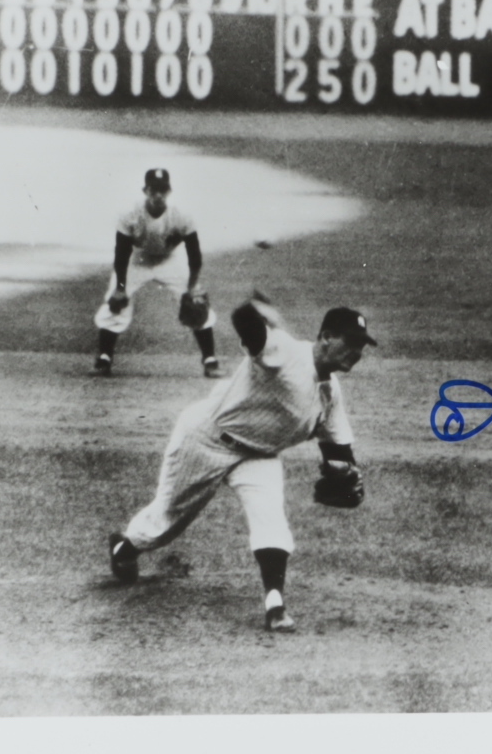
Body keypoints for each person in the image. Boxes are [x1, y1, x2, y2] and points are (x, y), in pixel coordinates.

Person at [108, 294, 377, 633]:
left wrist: (346, 470)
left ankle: (275, 605)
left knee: (272, 521)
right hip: (206, 439)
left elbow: (338, 449)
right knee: (166, 520)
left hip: (258, 456)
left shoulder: (330, 394)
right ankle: (123, 546)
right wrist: (255, 309)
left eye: (362, 346)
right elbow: (248, 329)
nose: (357, 352)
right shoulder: (285, 350)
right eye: (350, 342)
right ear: (325, 337)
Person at [93, 167, 220, 377]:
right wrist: (120, 288)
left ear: (169, 191)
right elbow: (122, 253)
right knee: (115, 302)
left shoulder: (181, 215)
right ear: (146, 191)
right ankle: (104, 359)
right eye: (154, 190)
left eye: (163, 190)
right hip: (137, 260)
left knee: (197, 304)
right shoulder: (130, 214)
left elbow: (195, 256)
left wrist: (191, 287)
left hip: (169, 261)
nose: (158, 195)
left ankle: (210, 361)